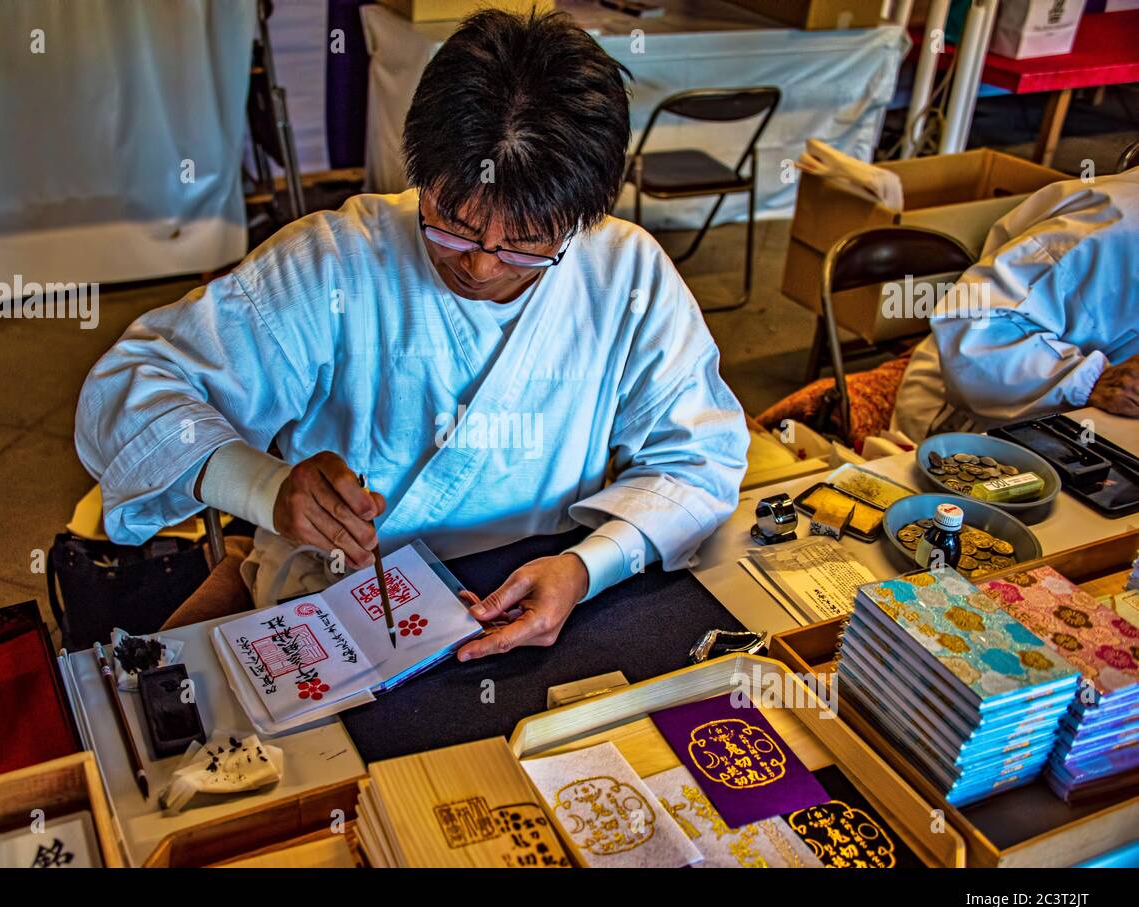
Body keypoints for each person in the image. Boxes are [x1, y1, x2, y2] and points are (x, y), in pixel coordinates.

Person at [75, 9, 748, 660]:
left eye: (523, 244)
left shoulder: (622, 274)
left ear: (581, 217)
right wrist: (265, 488)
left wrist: (585, 566)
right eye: (453, 223)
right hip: (336, 608)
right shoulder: (336, 263)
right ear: (419, 173)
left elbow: (701, 459)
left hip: (546, 601)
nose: (482, 265)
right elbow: (127, 394)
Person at [892, 168, 1139, 440]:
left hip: (1076, 423)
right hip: (971, 416)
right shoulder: (1110, 227)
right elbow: (976, 328)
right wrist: (1089, 381)